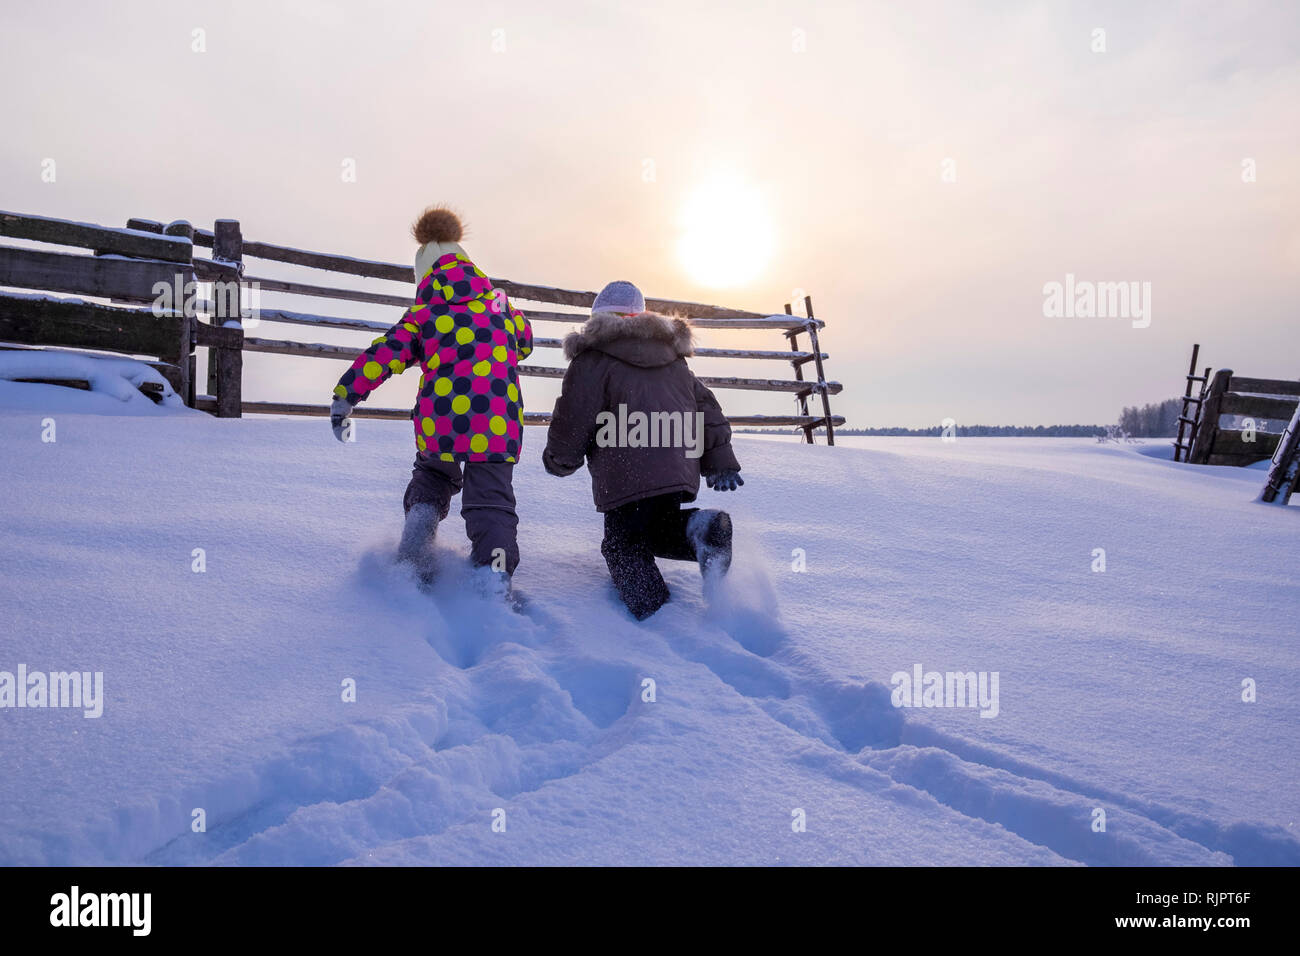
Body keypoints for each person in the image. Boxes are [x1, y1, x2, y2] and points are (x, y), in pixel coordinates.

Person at [329, 206, 533, 598]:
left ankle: (416, 548)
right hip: (495, 420)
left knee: (434, 476)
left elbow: (384, 354)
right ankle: (493, 579)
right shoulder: (499, 305)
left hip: (442, 419)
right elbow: (524, 341)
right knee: (491, 500)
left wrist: (346, 395)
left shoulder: (424, 312)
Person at [543, 280, 743, 620]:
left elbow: (575, 415)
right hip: (674, 467)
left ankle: (657, 617)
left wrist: (560, 459)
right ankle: (702, 527)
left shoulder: (592, 360)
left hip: (625, 470)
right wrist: (719, 461)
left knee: (623, 547)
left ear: (598, 319)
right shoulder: (673, 359)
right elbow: (706, 408)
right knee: (657, 530)